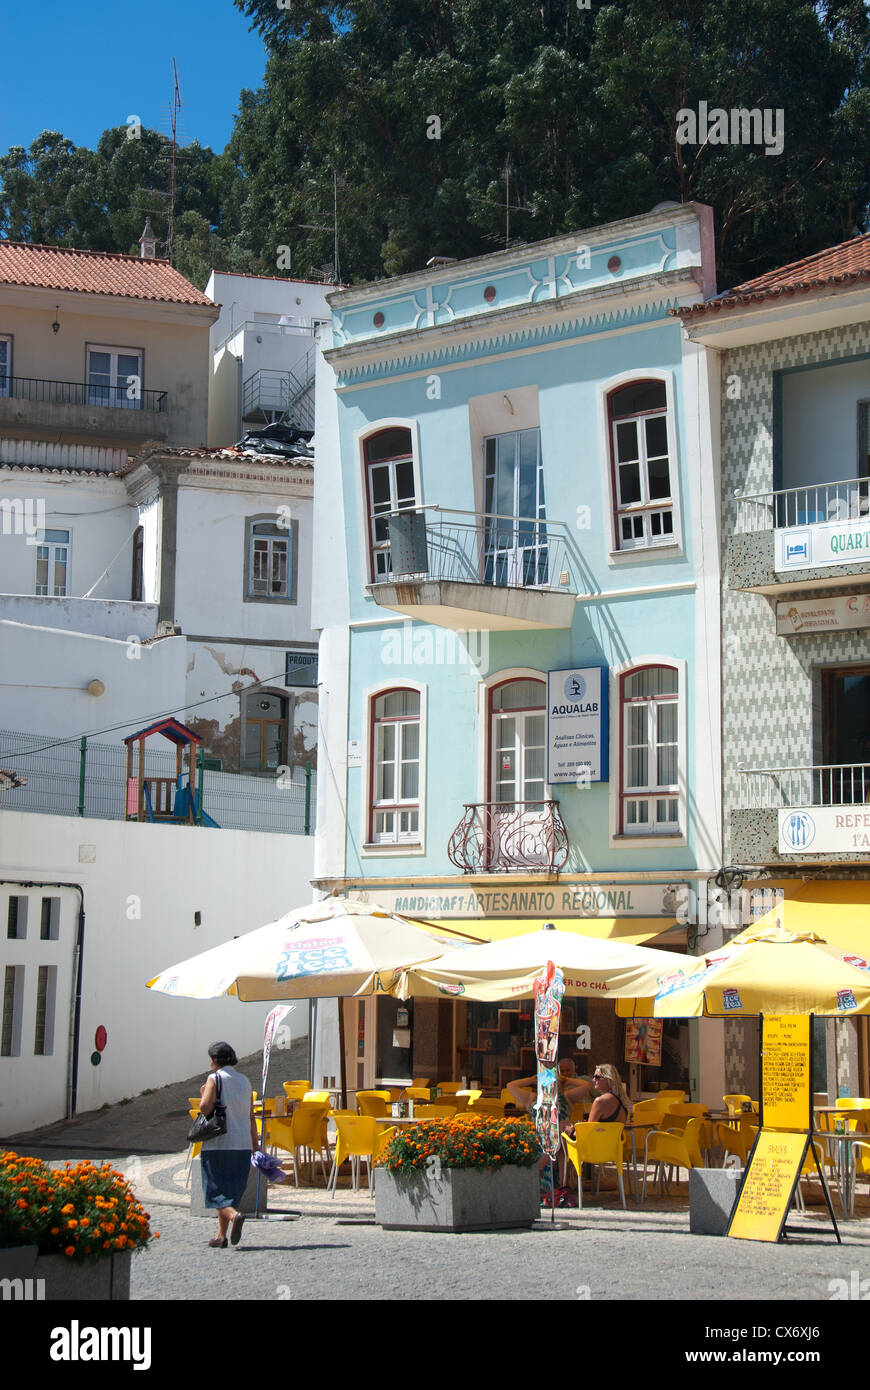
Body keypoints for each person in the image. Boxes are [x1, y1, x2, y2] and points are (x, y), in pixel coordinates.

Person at [197, 1041, 259, 1248]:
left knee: (214, 1190)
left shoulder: (214, 1078)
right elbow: (251, 1116)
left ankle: (234, 1217)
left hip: (219, 1144)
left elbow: (205, 1108)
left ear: (215, 1060)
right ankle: (221, 1236)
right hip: (242, 1144)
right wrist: (255, 1145)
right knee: (229, 1191)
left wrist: (203, 1092)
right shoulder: (245, 1081)